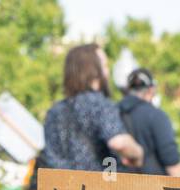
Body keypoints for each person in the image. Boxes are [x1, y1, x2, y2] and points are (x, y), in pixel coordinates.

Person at [38, 44, 144, 174]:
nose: (108, 71)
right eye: (104, 65)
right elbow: (118, 142)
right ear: (94, 70)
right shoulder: (99, 104)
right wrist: (137, 153)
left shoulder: (54, 111)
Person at [117, 67, 180, 177]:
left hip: (117, 187)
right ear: (151, 90)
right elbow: (171, 159)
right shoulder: (156, 116)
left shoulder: (111, 113)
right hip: (151, 188)